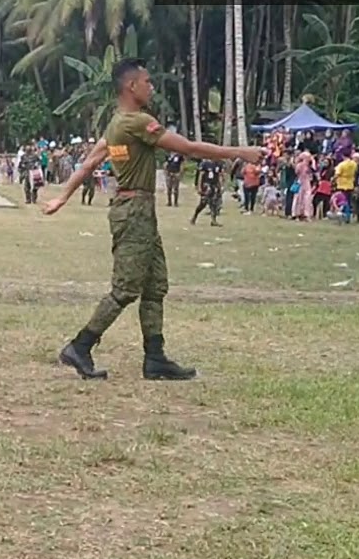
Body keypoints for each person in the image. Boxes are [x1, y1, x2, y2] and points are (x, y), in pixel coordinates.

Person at [42, 57, 261, 381]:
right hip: (134, 211)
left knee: (155, 285)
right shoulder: (137, 122)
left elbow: (88, 164)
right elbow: (188, 148)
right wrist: (239, 152)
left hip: (137, 210)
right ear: (131, 86)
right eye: (147, 82)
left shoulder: (116, 124)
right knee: (126, 287)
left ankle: (155, 357)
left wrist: (62, 197)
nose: (152, 87)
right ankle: (81, 345)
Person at [191, 158, 223, 227]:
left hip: (214, 185)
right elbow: (201, 175)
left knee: (214, 204)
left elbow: (220, 175)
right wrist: (199, 187)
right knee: (203, 203)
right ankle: (195, 216)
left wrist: (220, 186)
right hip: (206, 185)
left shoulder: (219, 164)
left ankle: (213, 220)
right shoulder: (205, 163)